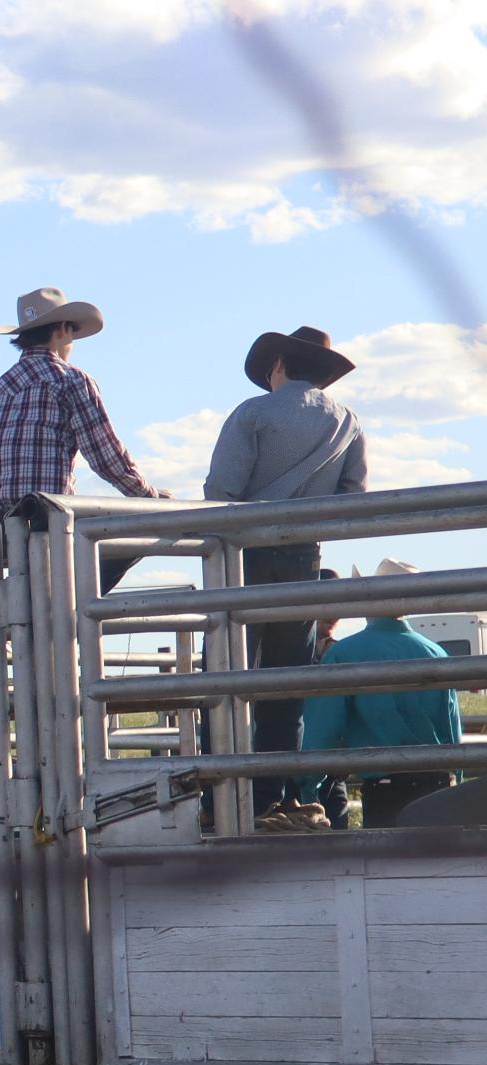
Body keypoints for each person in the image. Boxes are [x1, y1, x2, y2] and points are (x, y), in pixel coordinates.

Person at [204, 324, 370, 824]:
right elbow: (354, 497)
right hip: (303, 559)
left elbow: (221, 492)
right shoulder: (347, 422)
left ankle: (217, 799)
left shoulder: (252, 413)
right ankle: (271, 798)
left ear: (278, 365)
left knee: (226, 679)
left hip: (244, 558)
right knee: (286, 685)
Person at [0, 288, 168, 587]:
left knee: (33, 590)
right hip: (49, 519)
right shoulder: (70, 379)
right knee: (142, 530)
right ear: (62, 330)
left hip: (0, 524)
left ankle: (51, 601)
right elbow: (107, 458)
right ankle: (74, 601)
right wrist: (150, 499)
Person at [301, 575, 463, 829]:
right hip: (437, 784)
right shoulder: (436, 652)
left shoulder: (344, 654)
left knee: (387, 852)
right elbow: (451, 728)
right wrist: (457, 779)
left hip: (385, 789)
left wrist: (308, 786)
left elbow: (323, 731)